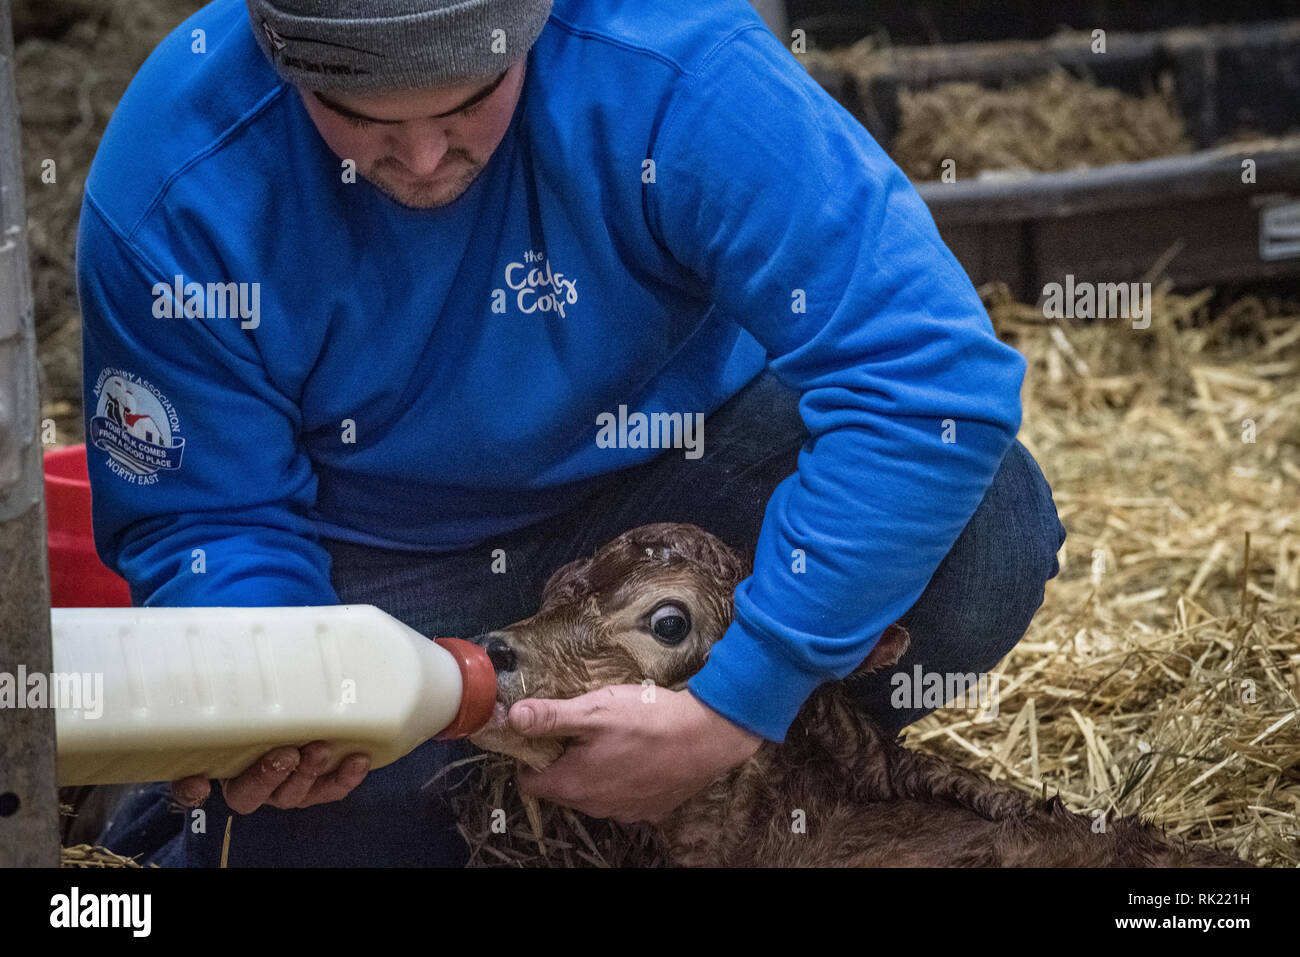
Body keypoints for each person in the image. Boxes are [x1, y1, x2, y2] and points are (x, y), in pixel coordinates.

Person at [80, 0, 1066, 867]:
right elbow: (211, 515)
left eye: (469, 102)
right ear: (278, 51)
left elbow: (922, 378)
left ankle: (737, 787)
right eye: (361, 119)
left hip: (676, 485)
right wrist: (290, 686)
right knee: (327, 831)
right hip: (379, 573)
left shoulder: (671, 62)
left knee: (983, 530)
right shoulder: (179, 175)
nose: (422, 161)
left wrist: (734, 704)